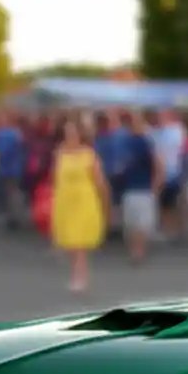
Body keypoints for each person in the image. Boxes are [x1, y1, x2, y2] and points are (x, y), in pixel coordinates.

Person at [51, 119, 109, 292]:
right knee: (69, 241)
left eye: (73, 132)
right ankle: (74, 273)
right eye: (67, 133)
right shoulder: (60, 152)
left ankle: (81, 277)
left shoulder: (89, 154)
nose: (70, 136)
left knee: (79, 242)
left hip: (83, 200)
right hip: (65, 199)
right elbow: (55, 176)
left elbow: (99, 180)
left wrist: (104, 199)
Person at [118, 112, 162, 264]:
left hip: (143, 189)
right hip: (129, 188)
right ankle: (135, 250)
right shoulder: (125, 142)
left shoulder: (146, 142)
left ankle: (138, 252)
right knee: (131, 224)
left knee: (142, 224)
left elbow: (157, 165)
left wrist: (155, 186)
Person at [150, 108, 187, 241]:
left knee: (169, 204)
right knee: (163, 203)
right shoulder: (156, 132)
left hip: (172, 173)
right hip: (161, 172)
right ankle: (167, 230)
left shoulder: (176, 131)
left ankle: (173, 230)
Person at [0, 111, 26, 230]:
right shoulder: (16, 133)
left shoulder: (2, 134)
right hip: (12, 167)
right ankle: (13, 216)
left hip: (7, 168)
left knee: (9, 193)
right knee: (11, 193)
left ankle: (12, 217)